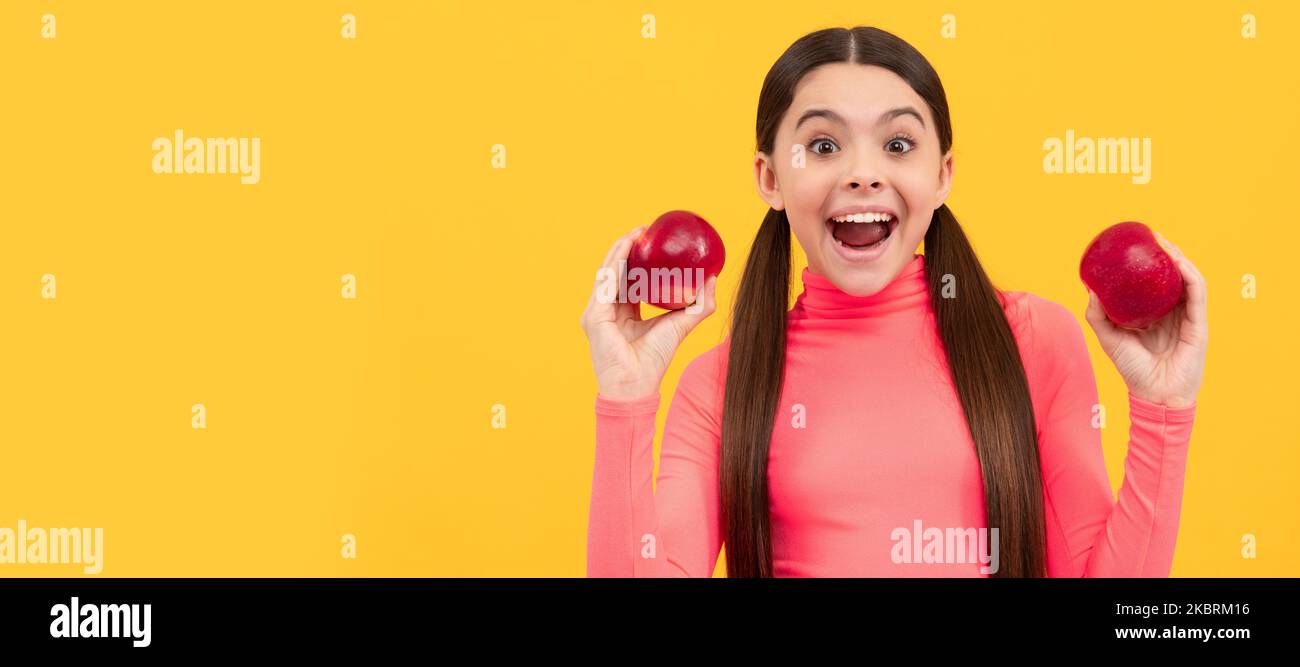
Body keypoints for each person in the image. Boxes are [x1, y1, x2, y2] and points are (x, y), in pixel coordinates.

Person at [579, 26, 1207, 577]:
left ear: (943, 174)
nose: (862, 172)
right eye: (823, 146)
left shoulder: (1035, 338)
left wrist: (1162, 410)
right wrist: (627, 398)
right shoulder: (717, 385)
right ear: (771, 178)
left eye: (898, 144)